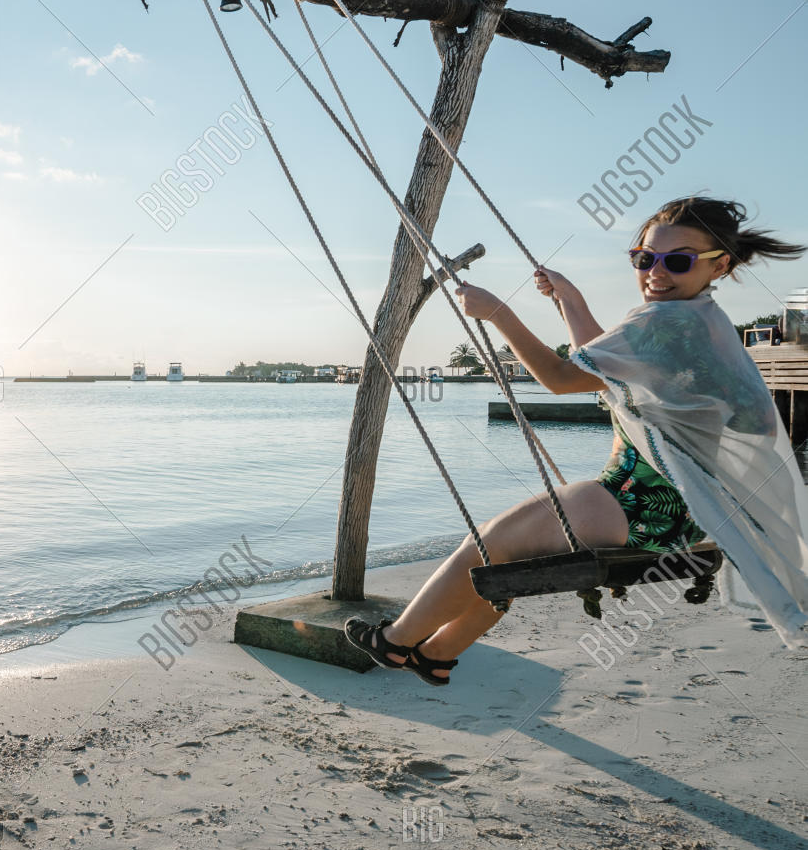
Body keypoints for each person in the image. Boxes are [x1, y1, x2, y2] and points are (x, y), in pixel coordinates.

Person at [346, 196, 808, 685]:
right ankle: (437, 653)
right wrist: (569, 299)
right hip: (684, 518)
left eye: (676, 261)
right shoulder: (704, 323)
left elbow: (561, 378)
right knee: (512, 555)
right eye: (644, 258)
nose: (656, 272)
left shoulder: (661, 324)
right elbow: (601, 368)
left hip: (631, 501)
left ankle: (395, 641)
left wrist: (499, 313)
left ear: (721, 265)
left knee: (485, 546)